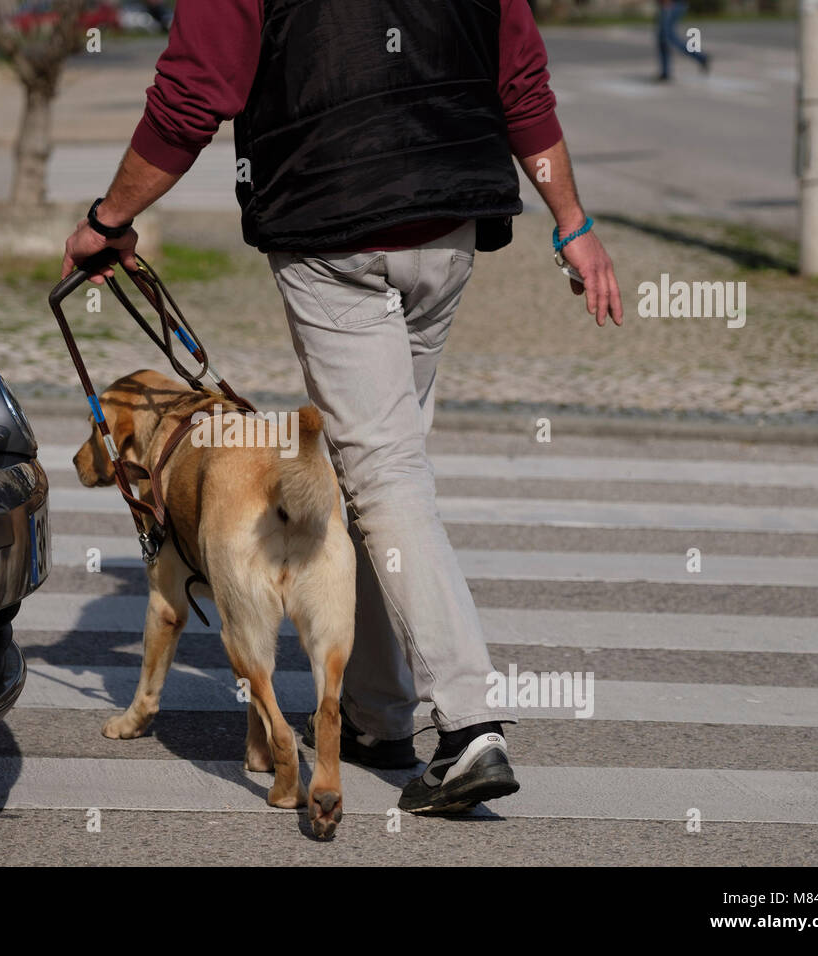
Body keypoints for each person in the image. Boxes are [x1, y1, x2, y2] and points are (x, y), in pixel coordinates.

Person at [62, 0, 623, 815]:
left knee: (382, 469)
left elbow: (192, 94)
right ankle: (377, 714)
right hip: (449, 224)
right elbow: (521, 81)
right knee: (380, 465)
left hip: (333, 225)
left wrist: (109, 219)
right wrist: (572, 221)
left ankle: (468, 726)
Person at [657, 0, 711, 81]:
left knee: (667, 37)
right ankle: (665, 72)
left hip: (673, 4)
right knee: (664, 38)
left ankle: (701, 57)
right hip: (672, 4)